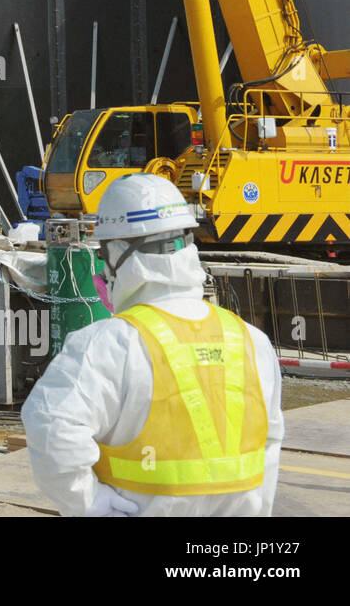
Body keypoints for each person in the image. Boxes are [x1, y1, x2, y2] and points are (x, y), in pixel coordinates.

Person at [21, 173, 283, 516]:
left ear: (119, 253)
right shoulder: (252, 342)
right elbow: (268, 450)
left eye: (104, 253)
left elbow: (52, 429)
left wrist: (91, 502)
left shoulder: (107, 344)